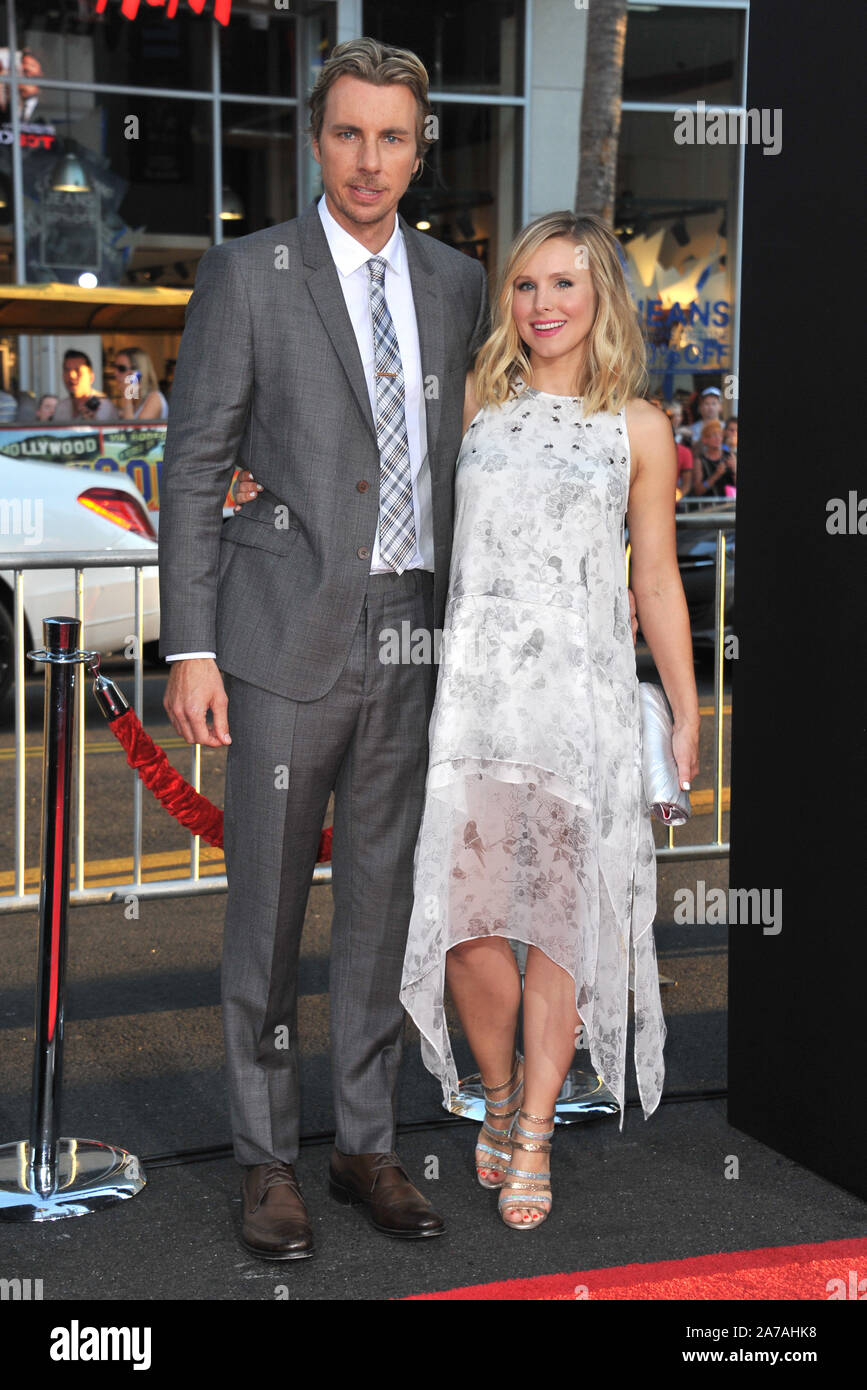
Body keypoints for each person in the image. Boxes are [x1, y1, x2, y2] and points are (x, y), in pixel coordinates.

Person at [237, 214, 700, 1232]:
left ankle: (531, 1130)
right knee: (464, 922)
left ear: (601, 299)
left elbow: (658, 577)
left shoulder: (640, 428)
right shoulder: (477, 402)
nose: (543, 306)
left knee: (564, 930)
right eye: (526, 286)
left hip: (579, 703)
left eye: (565, 286)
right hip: (475, 697)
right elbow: (372, 466)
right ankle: (496, 1090)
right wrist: (264, 488)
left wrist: (686, 702)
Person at [158, 38, 489, 1261]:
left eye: (392, 137)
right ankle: (264, 1161)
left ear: (419, 146)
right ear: (317, 138)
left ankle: (363, 1146)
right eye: (348, 134)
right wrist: (190, 647)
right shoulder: (252, 272)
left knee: (383, 909)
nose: (369, 160)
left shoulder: (457, 284)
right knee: (264, 915)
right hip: (279, 636)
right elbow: (193, 466)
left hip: (415, 634)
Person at [51, 349, 118, 423]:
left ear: (91, 377)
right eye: (67, 370)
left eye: (78, 370)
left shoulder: (103, 406)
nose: (71, 375)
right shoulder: (61, 407)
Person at [112, 346, 169, 421]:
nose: (115, 373)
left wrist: (127, 397)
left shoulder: (155, 399)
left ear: (137, 373)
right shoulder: (133, 401)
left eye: (121, 369)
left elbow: (133, 432)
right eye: (114, 367)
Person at [692, 418, 735, 497]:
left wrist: (734, 470)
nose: (718, 438)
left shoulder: (730, 456)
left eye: (720, 435)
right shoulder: (699, 461)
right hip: (709, 508)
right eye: (713, 435)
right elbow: (698, 491)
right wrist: (716, 475)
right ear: (705, 439)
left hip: (729, 507)